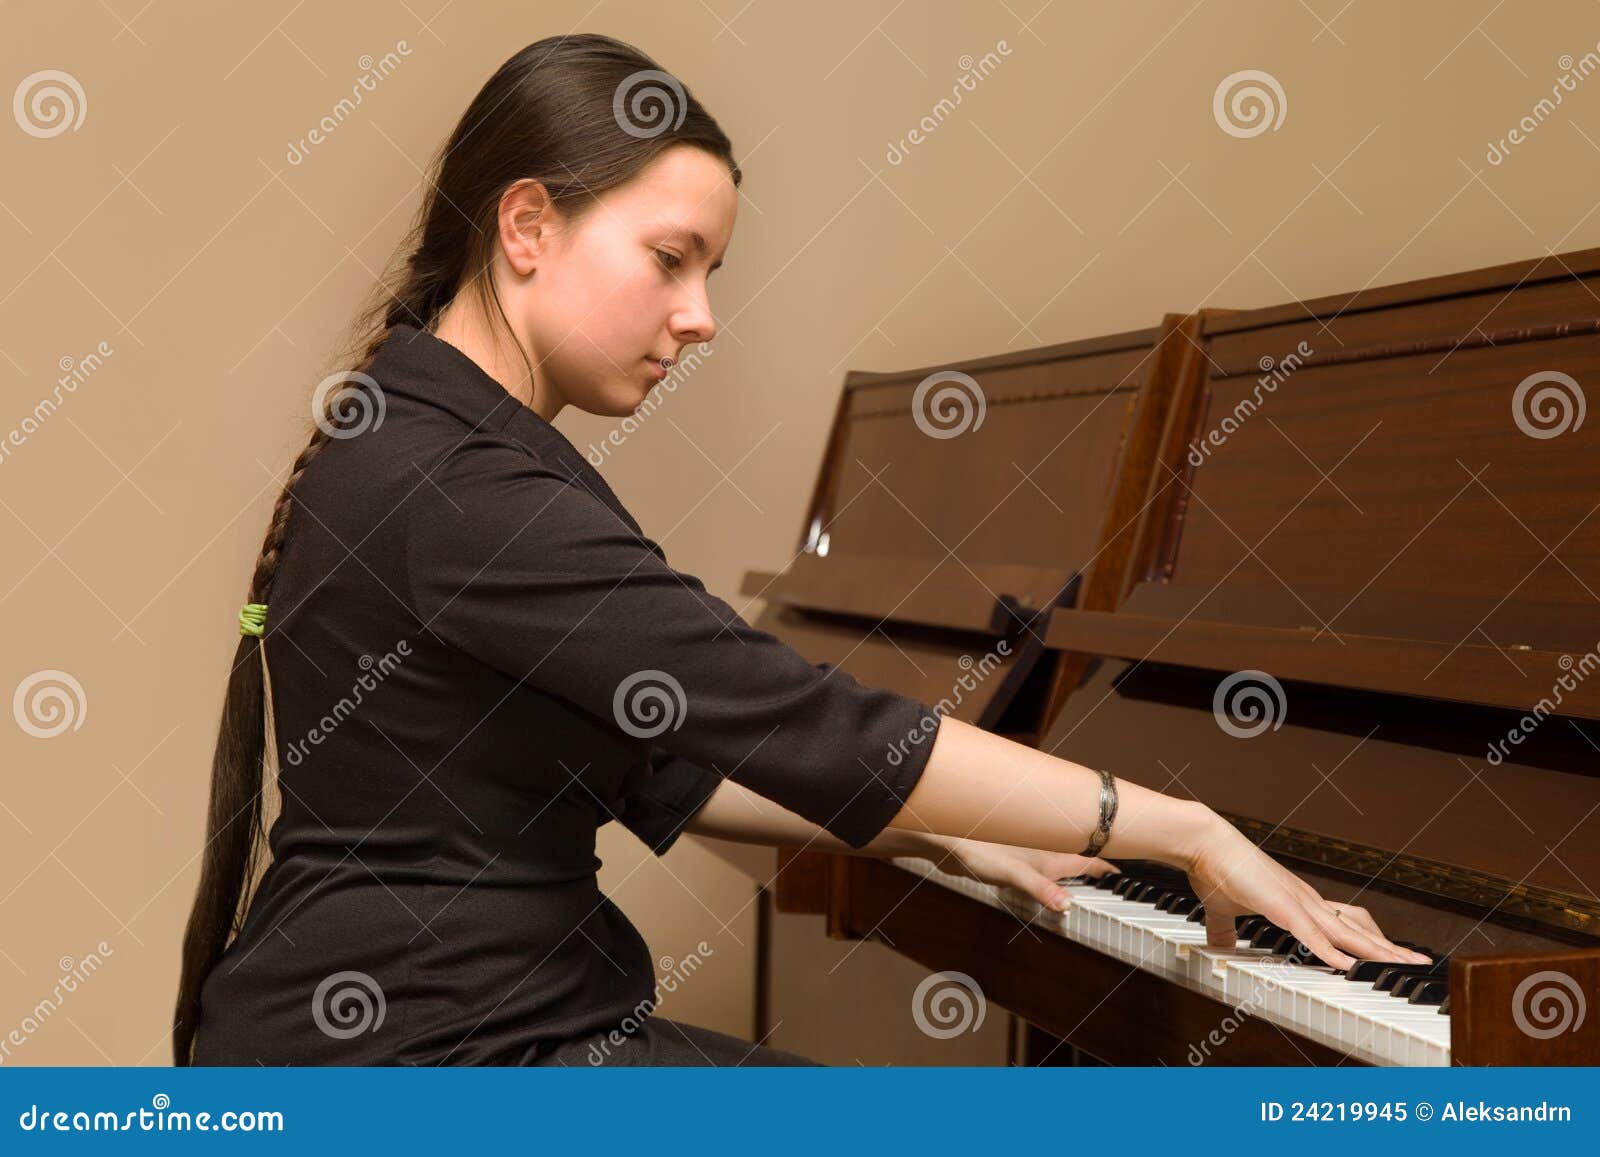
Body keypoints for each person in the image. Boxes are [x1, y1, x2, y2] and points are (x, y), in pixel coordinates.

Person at [172, 33, 1427, 1068]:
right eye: (671, 260)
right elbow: (796, 715)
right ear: (526, 225)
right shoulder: (461, 483)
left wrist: (940, 833)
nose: (700, 317)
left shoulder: (423, 427)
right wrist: (1181, 825)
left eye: (710, 271)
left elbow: (657, 763)